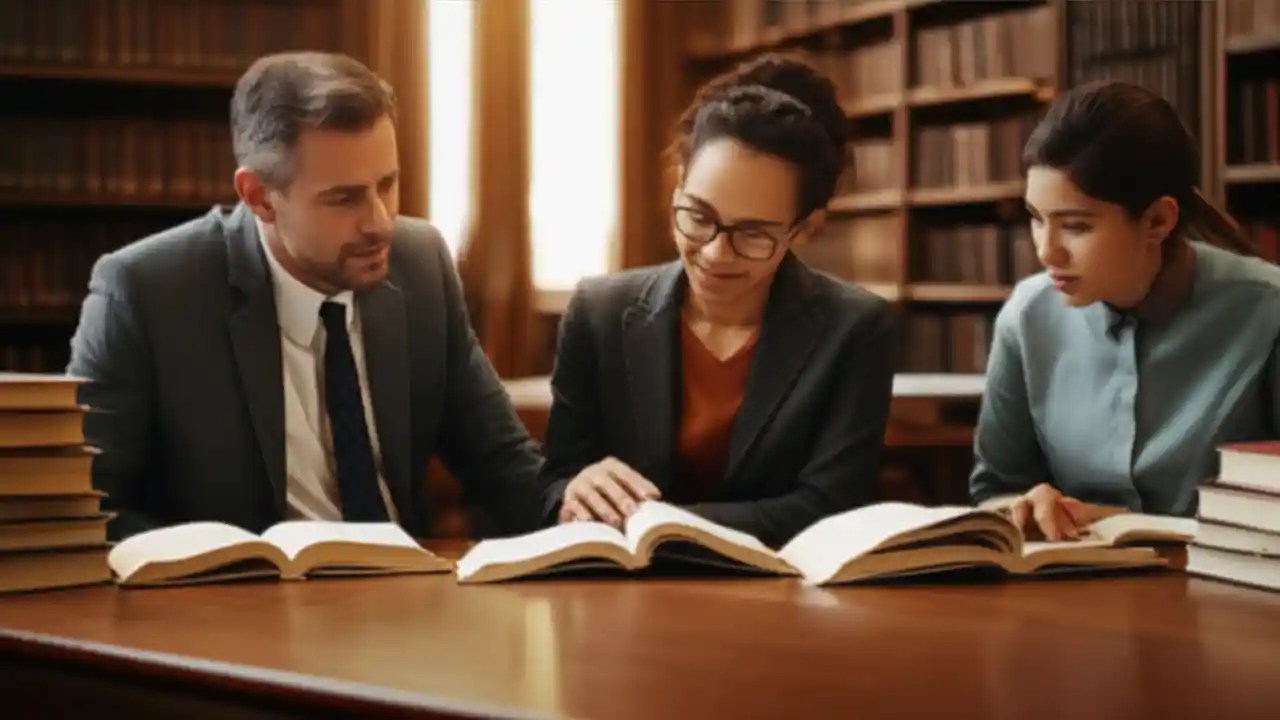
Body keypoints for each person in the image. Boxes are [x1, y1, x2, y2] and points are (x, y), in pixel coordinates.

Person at [70, 52, 545, 540]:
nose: (380, 221)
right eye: (344, 198)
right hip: (233, 604)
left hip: (405, 598)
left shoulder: (421, 265)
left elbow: (504, 465)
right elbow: (86, 508)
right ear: (259, 197)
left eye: (388, 184)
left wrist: (583, 503)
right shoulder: (147, 292)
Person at [538, 54, 897, 547]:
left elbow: (831, 507)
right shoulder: (598, 312)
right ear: (679, 182)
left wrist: (657, 523)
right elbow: (555, 481)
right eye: (698, 216)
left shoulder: (855, 329)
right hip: (615, 596)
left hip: (781, 603)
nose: (713, 253)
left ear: (803, 229)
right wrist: (573, 491)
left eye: (752, 234)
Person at [970, 81, 1280, 540]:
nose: (1046, 251)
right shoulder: (1028, 316)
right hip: (1071, 592)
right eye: (1036, 218)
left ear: (1157, 220)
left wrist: (1129, 524)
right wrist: (1024, 507)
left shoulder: (1267, 313)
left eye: (1075, 226)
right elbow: (995, 489)